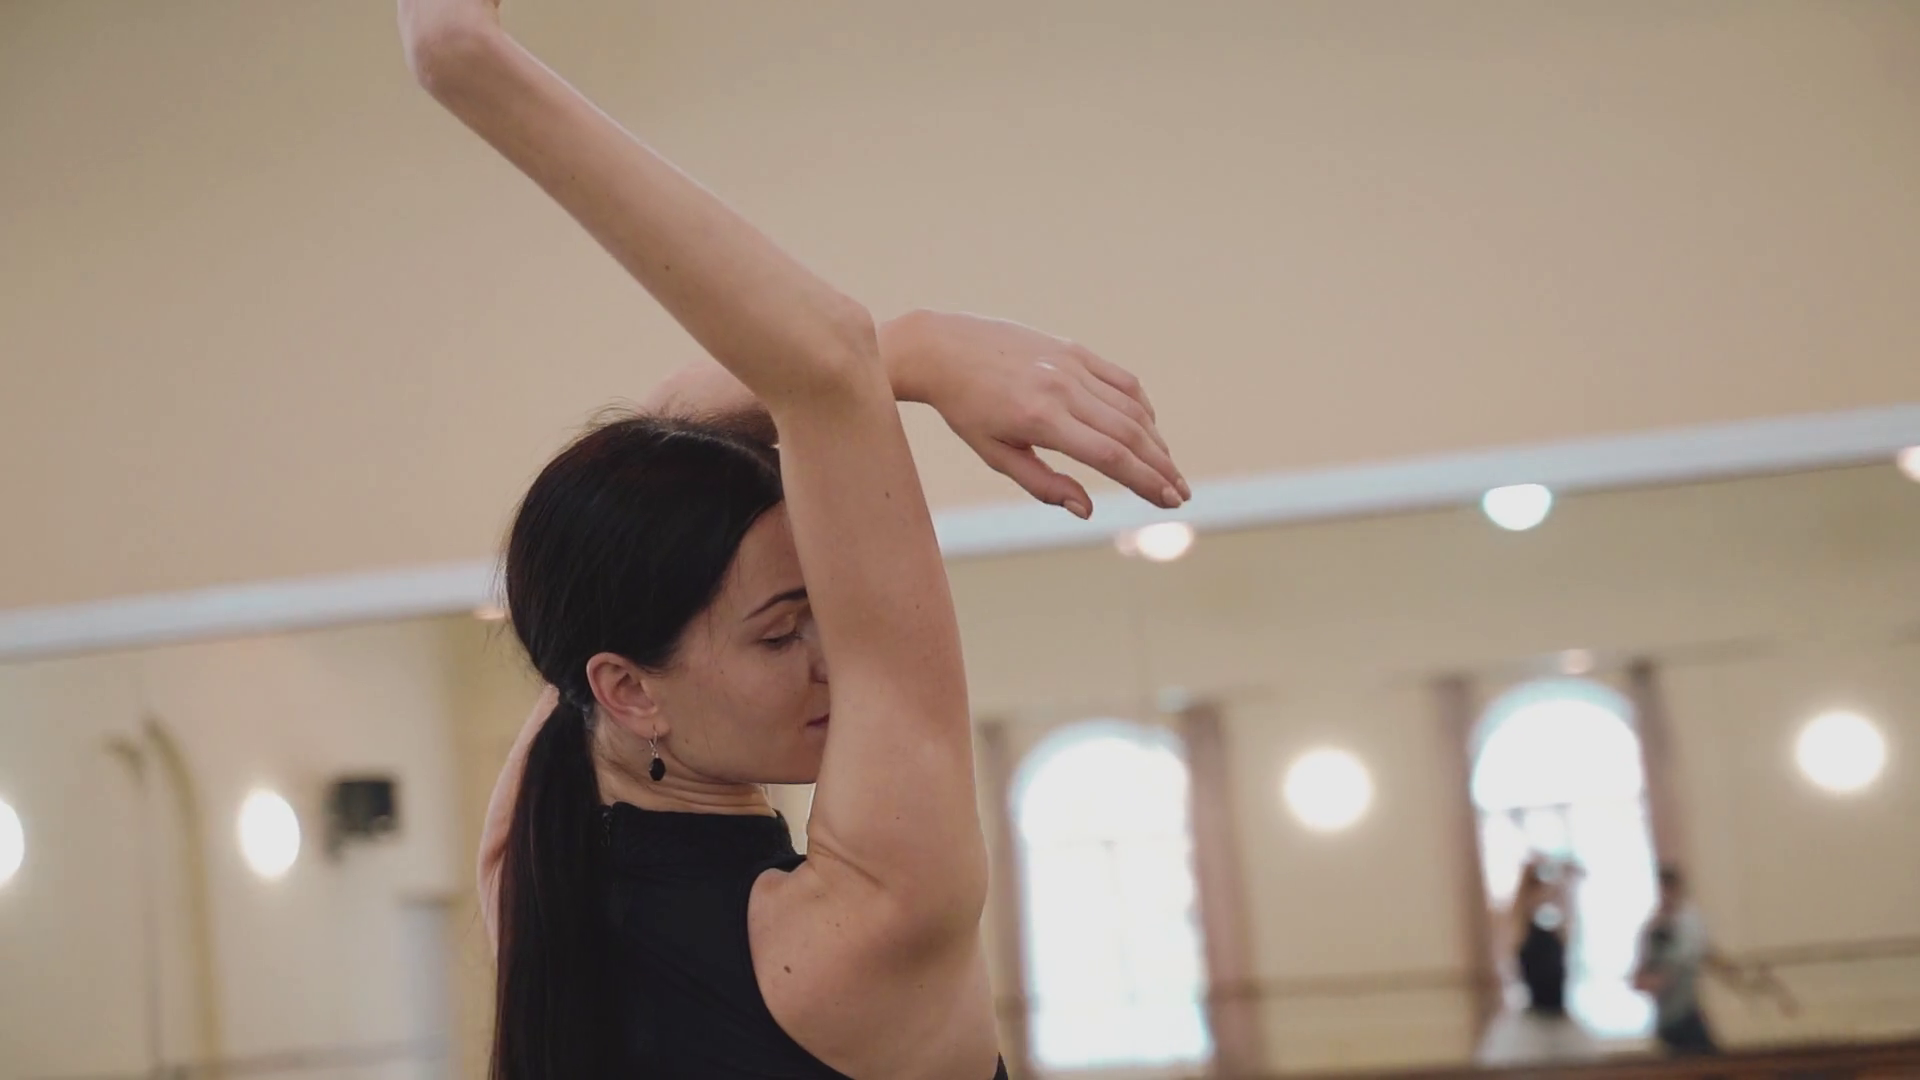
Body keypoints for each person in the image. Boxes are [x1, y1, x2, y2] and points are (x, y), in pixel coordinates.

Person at [395, 1, 1188, 1077]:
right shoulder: (859, 932)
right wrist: (471, 64)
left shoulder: (532, 887)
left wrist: (904, 355)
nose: (838, 659)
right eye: (781, 632)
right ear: (628, 689)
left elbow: (670, 439)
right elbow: (807, 366)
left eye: (828, 609)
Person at [1634, 865, 1795, 1056]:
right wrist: (1654, 979)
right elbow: (1645, 973)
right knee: (1702, 1059)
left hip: (1684, 1011)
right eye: (1664, 890)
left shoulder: (1688, 924)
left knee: (1706, 1058)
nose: (1667, 896)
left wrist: (1739, 975)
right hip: (1671, 1017)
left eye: (1670, 890)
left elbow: (1704, 953)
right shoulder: (1654, 929)